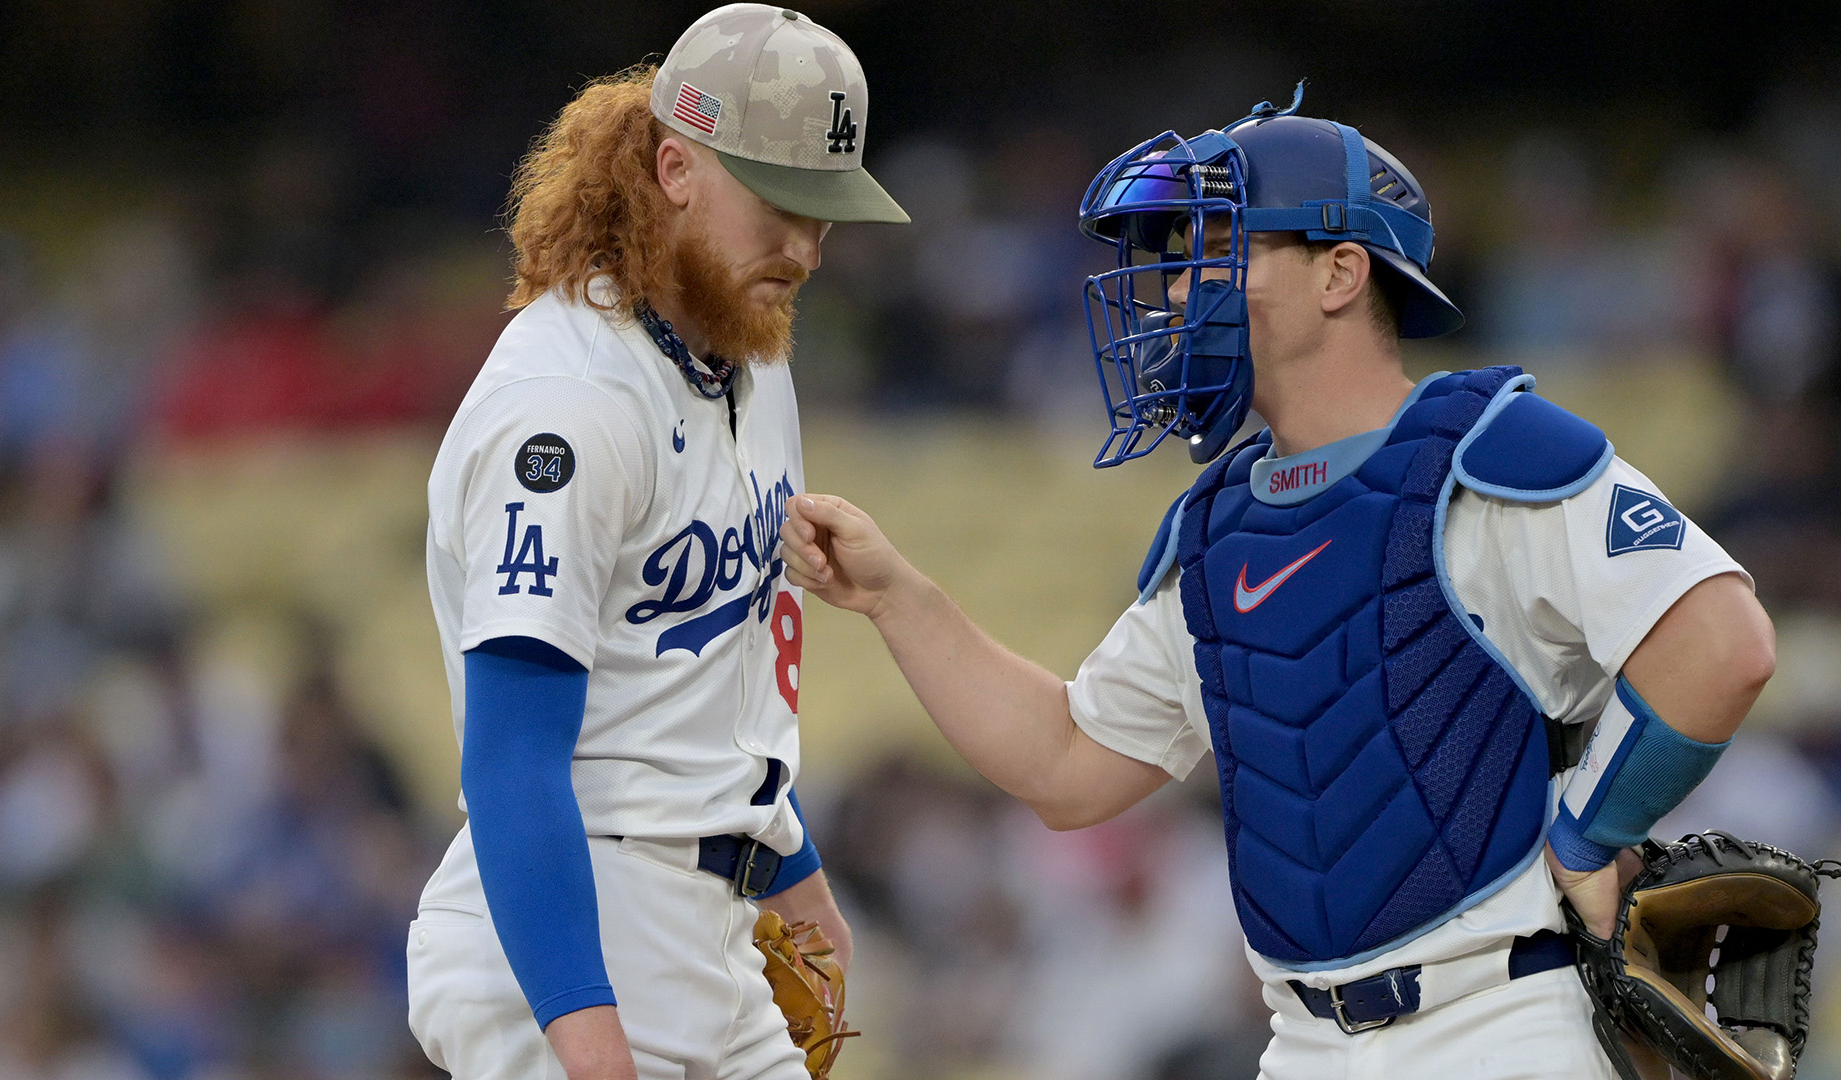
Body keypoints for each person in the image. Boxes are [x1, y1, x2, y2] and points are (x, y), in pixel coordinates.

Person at [778, 89, 1775, 1078]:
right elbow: (1067, 765)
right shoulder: (1217, 526)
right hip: (1300, 1043)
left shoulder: (1487, 452)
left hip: (1500, 1023)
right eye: (1175, 259)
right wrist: (893, 597)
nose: (1177, 290)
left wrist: (1591, 836)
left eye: (1219, 250)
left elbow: (1722, 642)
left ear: (1342, 271)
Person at [404, 7, 908, 1080]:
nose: (809, 249)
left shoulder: (752, 359)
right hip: (569, 931)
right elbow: (512, 761)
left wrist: (799, 880)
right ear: (676, 169)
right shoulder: (568, 405)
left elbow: (698, 681)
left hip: (714, 931)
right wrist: (589, 1045)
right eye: (782, 205)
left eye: (828, 214)